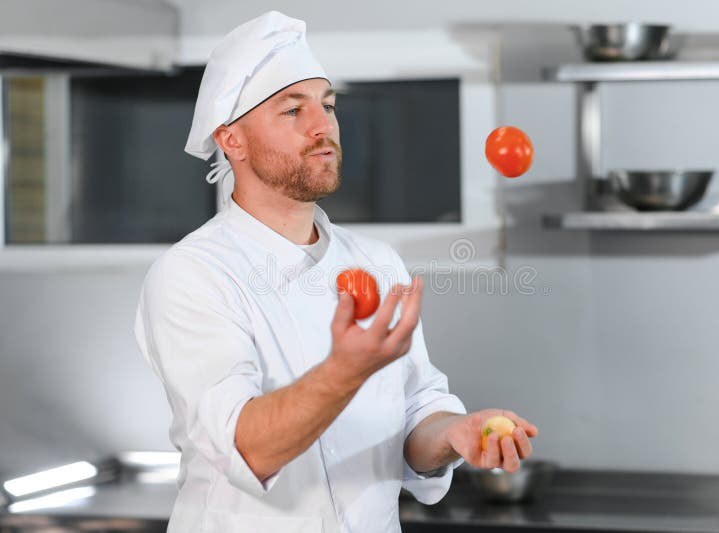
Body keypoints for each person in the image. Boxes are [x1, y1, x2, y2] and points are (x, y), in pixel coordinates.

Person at [134, 10, 538, 533]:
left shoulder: (376, 261)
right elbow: (247, 448)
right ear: (231, 139)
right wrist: (346, 370)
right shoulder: (193, 274)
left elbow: (415, 411)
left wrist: (454, 432)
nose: (323, 124)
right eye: (291, 110)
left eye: (327, 105)